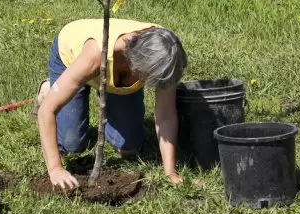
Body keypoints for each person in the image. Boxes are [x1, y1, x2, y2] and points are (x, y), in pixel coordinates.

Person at [34, 18, 187, 189]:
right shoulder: (95, 54)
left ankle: (107, 91)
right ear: (136, 64)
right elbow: (46, 111)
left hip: (114, 73)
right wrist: (55, 169)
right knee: (72, 145)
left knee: (130, 147)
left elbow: (165, 115)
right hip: (72, 59)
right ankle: (50, 89)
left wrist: (170, 172)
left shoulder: (167, 56)